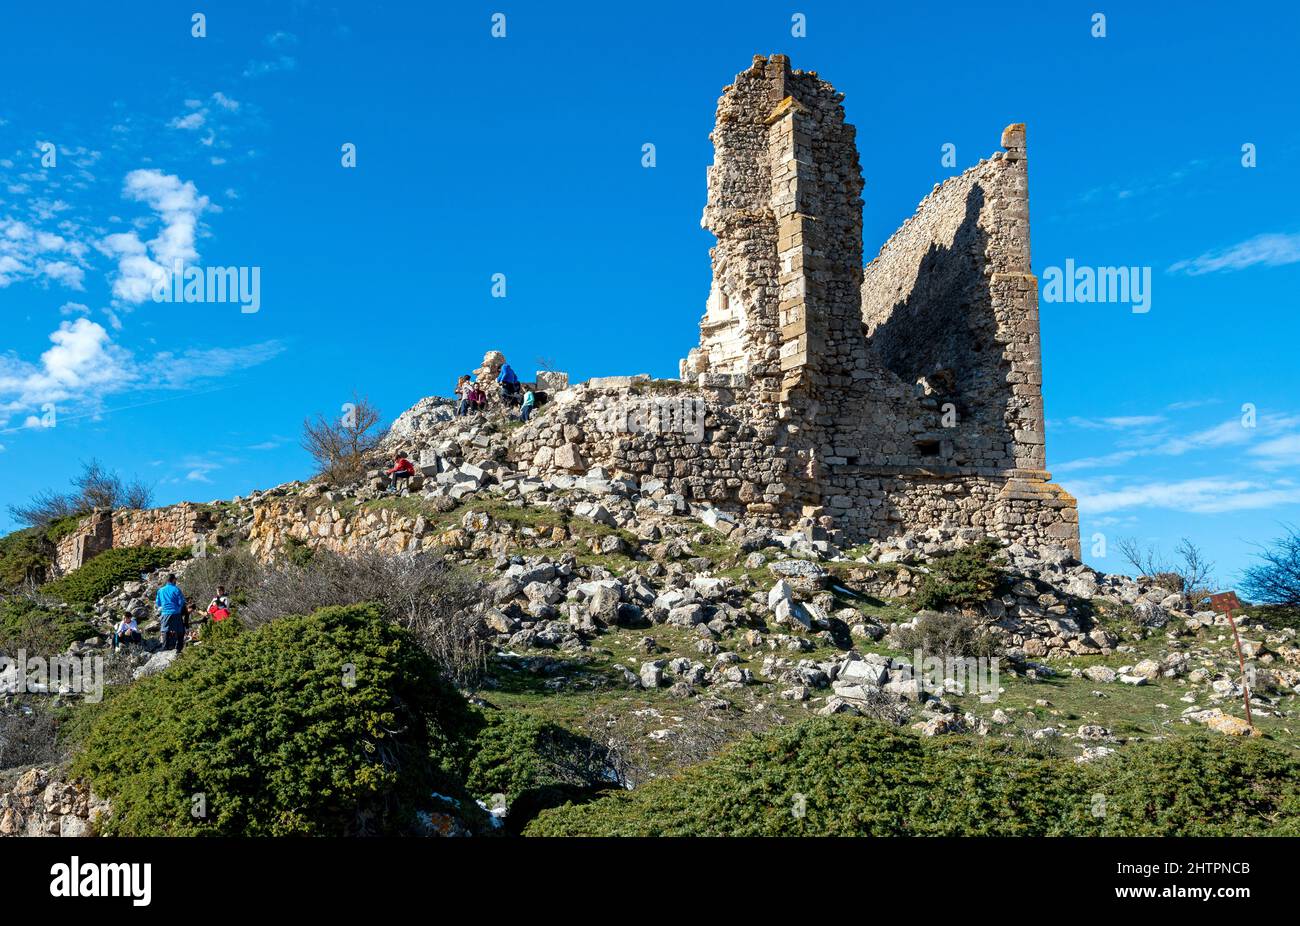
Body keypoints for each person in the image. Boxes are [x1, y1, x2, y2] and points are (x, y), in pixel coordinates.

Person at [156, 574, 187, 653]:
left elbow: (158, 603)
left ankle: (165, 648)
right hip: (176, 613)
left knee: (165, 630)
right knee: (180, 630)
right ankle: (179, 648)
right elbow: (181, 602)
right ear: (173, 580)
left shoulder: (161, 590)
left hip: (165, 613)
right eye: (175, 580)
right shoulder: (176, 589)